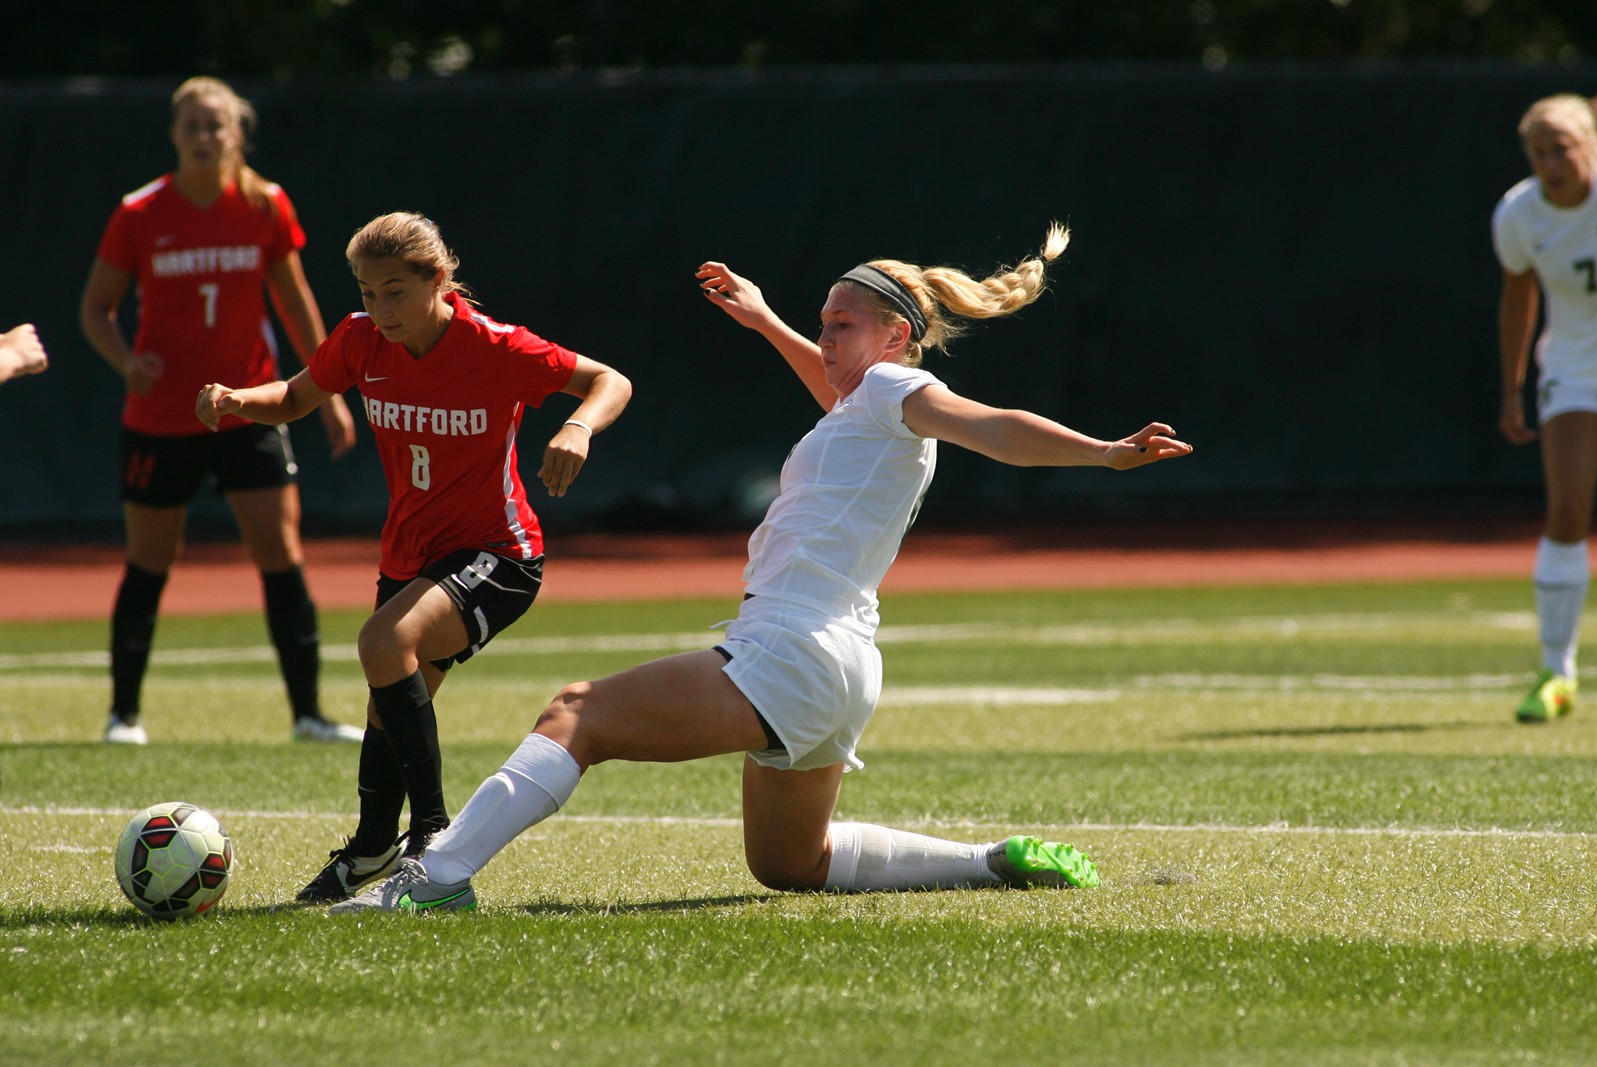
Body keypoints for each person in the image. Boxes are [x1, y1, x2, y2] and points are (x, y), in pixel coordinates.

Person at [331, 223, 1193, 913]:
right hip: (843, 664)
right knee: (792, 864)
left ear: (897, 336)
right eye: (822, 321)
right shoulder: (871, 407)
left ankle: (435, 875)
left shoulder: (897, 390)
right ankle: (991, 860)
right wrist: (766, 320)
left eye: (840, 324)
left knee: (575, 714)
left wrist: (1103, 451)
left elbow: (992, 423)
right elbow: (839, 392)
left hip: (793, 650)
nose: (825, 336)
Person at [197, 210, 632, 902]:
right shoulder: (360, 340)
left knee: (384, 640)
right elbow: (295, 395)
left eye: (395, 290)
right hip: (413, 554)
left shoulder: (494, 346)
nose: (380, 308)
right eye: (369, 293)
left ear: (439, 279)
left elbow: (610, 379)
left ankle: (432, 836)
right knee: (388, 701)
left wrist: (577, 425)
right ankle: (373, 846)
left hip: (500, 553)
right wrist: (236, 399)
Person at [79, 76, 359, 746]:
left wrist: (329, 393)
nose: (204, 137)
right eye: (192, 126)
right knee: (151, 556)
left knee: (280, 550)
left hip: (248, 409)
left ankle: (308, 714)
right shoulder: (140, 212)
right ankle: (124, 715)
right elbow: (95, 309)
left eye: (216, 126)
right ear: (174, 134)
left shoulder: (264, 204)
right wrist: (127, 362)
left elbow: (294, 303)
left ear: (237, 133)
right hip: (160, 416)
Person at [1493, 94, 1597, 723]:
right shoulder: (1519, 214)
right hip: (1577, 369)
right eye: (1539, 151)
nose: (1550, 162)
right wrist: (1511, 387)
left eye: (1561, 147)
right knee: (1566, 506)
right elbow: (1517, 297)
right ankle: (1556, 671)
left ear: (1588, 144)